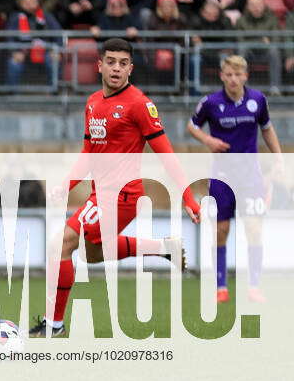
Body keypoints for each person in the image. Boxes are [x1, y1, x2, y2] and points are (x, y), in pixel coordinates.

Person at [28, 38, 201, 337]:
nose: (116, 68)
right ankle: (162, 248)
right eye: (111, 62)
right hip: (101, 193)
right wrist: (68, 185)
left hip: (122, 195)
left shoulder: (139, 105)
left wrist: (187, 195)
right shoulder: (93, 102)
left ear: (131, 69)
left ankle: (53, 324)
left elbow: (166, 154)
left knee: (60, 245)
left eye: (123, 63)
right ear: (99, 66)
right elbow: (88, 152)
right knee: (92, 254)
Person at [187, 55, 280, 305]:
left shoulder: (258, 100)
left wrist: (279, 158)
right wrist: (208, 140)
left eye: (238, 75)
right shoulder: (210, 103)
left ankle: (254, 286)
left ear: (246, 76)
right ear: (222, 76)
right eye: (228, 75)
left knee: (254, 229)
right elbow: (191, 125)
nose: (233, 79)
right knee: (221, 230)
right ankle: (221, 287)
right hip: (221, 177)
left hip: (251, 177)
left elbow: (267, 128)